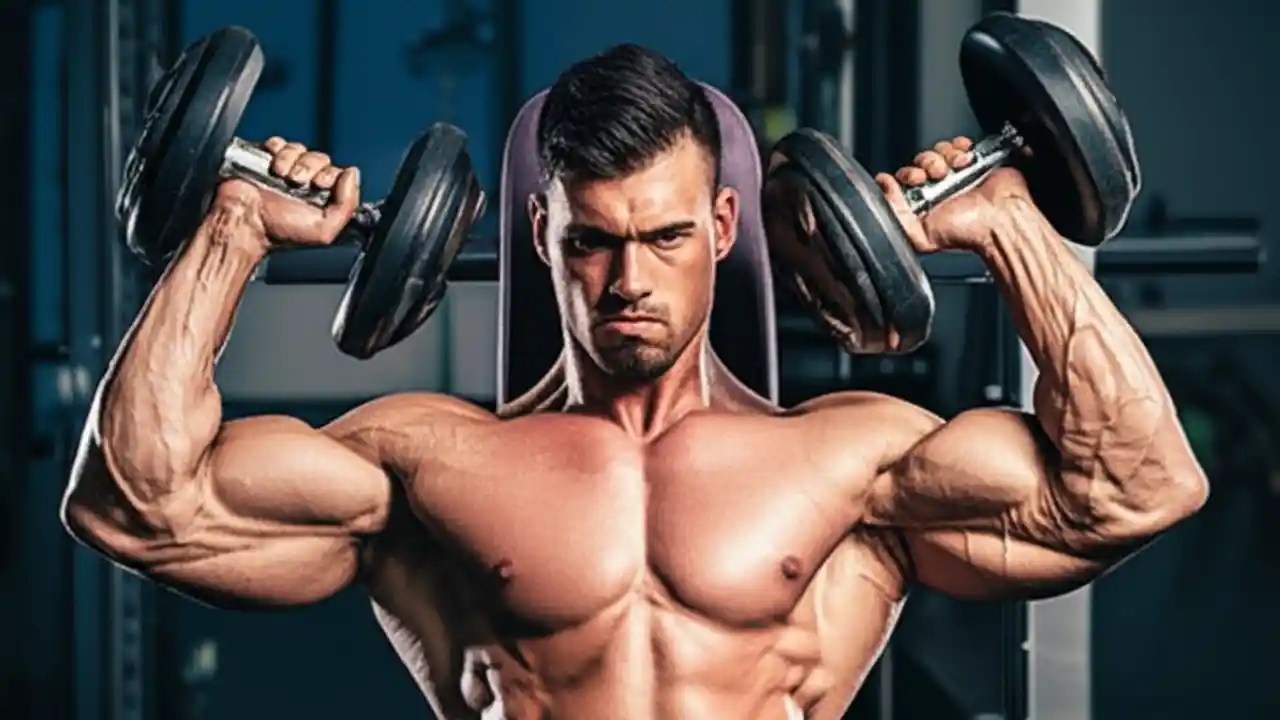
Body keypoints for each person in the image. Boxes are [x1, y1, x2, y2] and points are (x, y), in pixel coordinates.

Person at [61, 44, 1207, 720]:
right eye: (589, 242)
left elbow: (1136, 489)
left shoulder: (848, 461)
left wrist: (1009, 228)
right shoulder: (425, 462)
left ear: (722, 226)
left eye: (662, 237)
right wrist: (233, 228)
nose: (625, 281)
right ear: (539, 232)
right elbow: (138, 503)